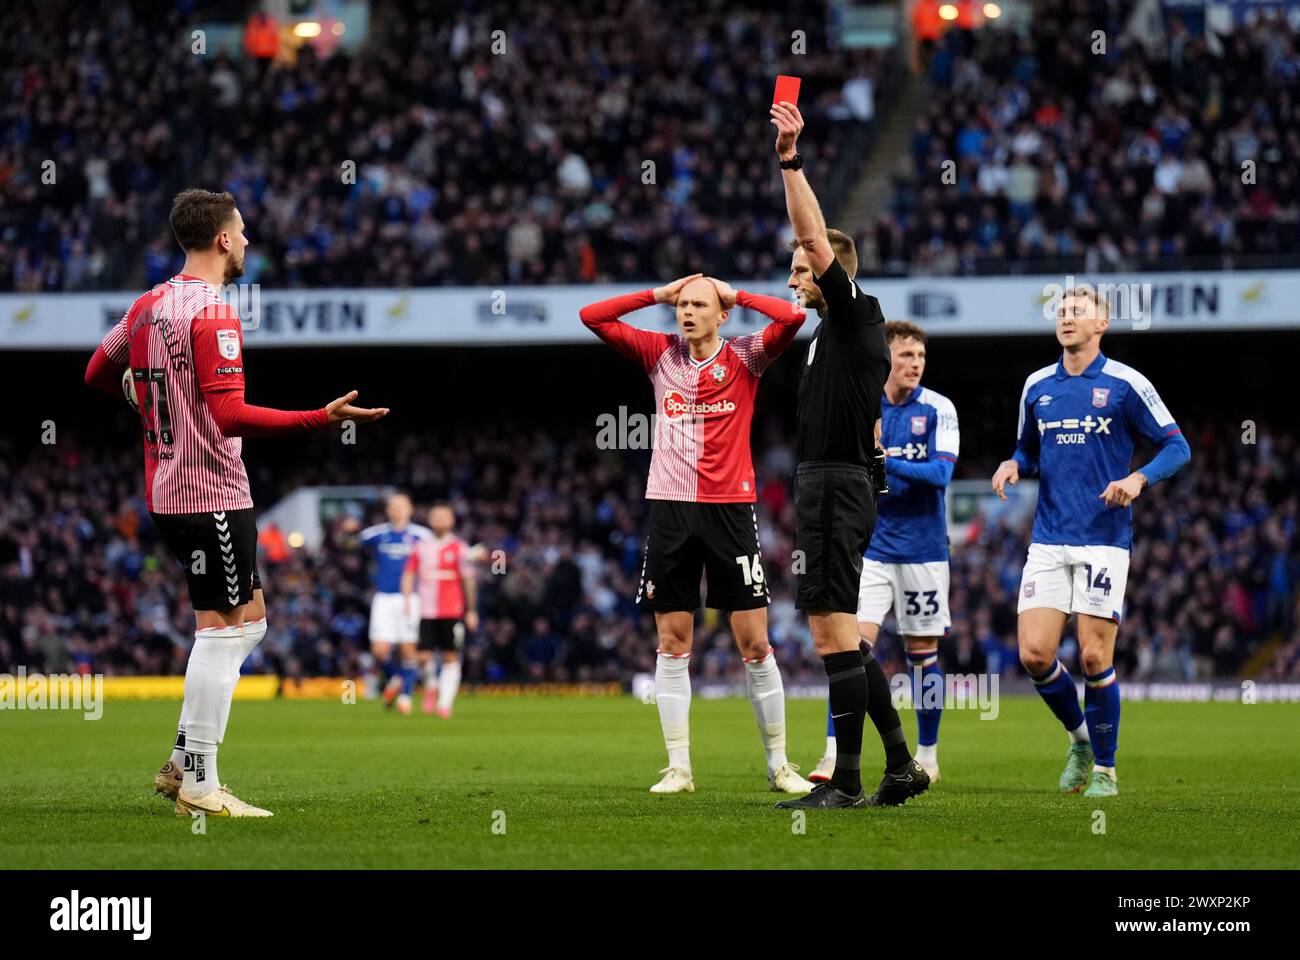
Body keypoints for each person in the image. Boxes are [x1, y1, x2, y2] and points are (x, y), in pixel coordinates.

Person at [84, 189, 388, 816]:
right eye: (242, 231)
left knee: (249, 622)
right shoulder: (214, 312)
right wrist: (317, 418)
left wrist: (145, 399)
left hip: (168, 488)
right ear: (222, 239)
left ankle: (180, 759)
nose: (247, 241)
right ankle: (198, 785)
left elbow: (96, 371)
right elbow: (228, 415)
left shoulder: (147, 305)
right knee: (220, 631)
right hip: (210, 490)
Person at [580, 273, 812, 795]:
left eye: (698, 304)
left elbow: (794, 317)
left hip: (731, 510)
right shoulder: (659, 353)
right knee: (671, 641)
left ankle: (779, 764)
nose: (686, 312)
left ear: (721, 313)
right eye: (681, 304)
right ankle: (679, 768)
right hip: (670, 510)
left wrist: (739, 293)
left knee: (754, 642)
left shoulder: (746, 356)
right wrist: (656, 294)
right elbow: (591, 317)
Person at [768, 100, 931, 810]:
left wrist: (789, 161)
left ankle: (850, 781)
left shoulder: (858, 315)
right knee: (840, 640)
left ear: (832, 270)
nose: (793, 279)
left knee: (833, 635)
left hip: (835, 488)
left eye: (801, 270)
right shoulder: (821, 343)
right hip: (829, 484)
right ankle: (898, 767)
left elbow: (810, 230)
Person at [991, 287, 1190, 797]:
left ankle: (1105, 768)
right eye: (1061, 311)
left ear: (1101, 324)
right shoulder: (1037, 386)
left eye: (1078, 312)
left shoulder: (1126, 384)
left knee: (1095, 658)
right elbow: (1027, 450)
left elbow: (1177, 445)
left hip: (1104, 539)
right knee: (1035, 654)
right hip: (1050, 539)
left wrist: (1139, 479)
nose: (1066, 318)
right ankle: (1081, 741)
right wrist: (1015, 464)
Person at [810, 321, 958, 785]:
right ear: (885, 358)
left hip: (924, 552)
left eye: (920, 356)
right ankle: (834, 753)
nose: (914, 364)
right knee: (850, 648)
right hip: (870, 549)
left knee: (922, 654)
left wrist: (884, 458)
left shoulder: (939, 408)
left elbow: (940, 474)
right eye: (906, 355)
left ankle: (928, 755)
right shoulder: (865, 403)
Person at [402, 502, 478, 718]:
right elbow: (408, 573)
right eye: (436, 516)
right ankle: (432, 684)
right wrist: (407, 599)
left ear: (452, 520)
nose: (440, 520)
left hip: (452, 610)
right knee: (423, 657)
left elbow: (469, 580)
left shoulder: (459, 548)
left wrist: (471, 610)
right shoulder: (421, 546)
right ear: (430, 520)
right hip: (425, 610)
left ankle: (445, 703)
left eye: (444, 516)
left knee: (450, 656)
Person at [357, 493, 431, 712]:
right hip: (384, 597)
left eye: (402, 505)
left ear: (410, 509)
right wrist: (348, 530)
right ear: (387, 510)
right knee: (379, 650)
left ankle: (406, 697)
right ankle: (396, 678)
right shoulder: (377, 533)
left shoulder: (421, 535)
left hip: (411, 597)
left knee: (409, 648)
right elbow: (351, 542)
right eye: (393, 506)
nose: (397, 509)